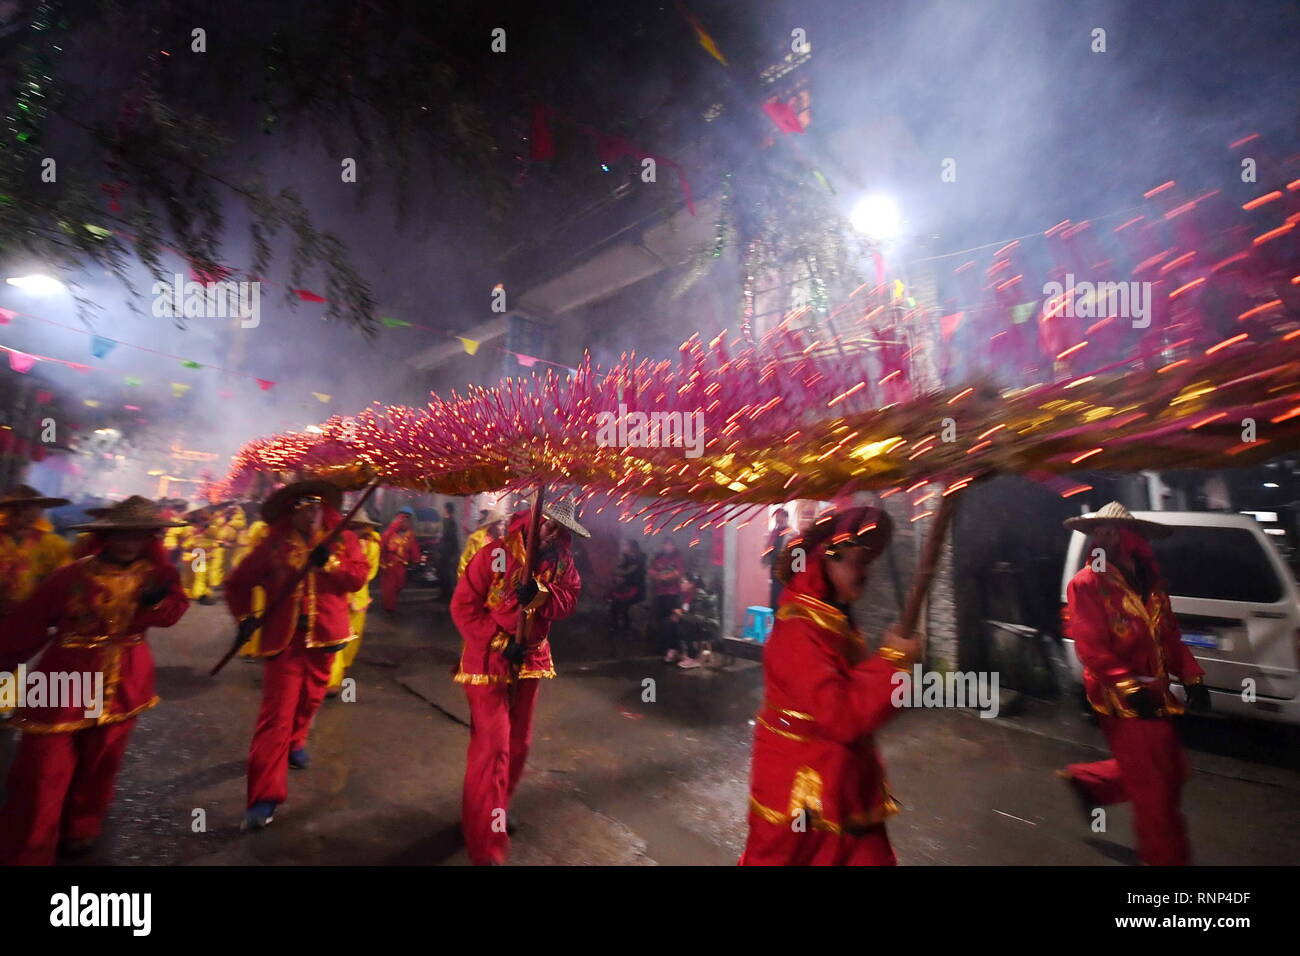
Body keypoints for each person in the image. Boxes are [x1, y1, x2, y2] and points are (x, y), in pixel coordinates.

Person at [0, 496, 189, 864]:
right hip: (63, 678)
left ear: (148, 538)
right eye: (120, 535)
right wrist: (6, 659)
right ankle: (31, 848)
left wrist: (154, 603)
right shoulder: (71, 576)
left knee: (102, 761)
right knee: (43, 768)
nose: (127, 544)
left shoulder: (158, 576)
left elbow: (172, 614)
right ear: (105, 536)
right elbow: (31, 623)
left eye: (136, 536)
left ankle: (81, 828)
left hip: (125, 680)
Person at [740, 505, 922, 866]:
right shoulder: (799, 630)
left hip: (844, 783)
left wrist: (892, 664)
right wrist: (892, 662)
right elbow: (840, 714)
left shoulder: (832, 624)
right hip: (802, 796)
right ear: (822, 562)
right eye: (854, 561)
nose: (864, 572)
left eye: (865, 562)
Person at [1056, 502, 1209, 866]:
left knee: (1171, 771)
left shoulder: (1151, 584)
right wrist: (1129, 687)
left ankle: (1088, 781)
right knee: (1156, 792)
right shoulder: (1087, 584)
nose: (1103, 537)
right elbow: (1092, 649)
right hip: (1121, 701)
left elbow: (1168, 636)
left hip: (1157, 694)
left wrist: (1192, 677)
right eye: (1098, 530)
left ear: (1133, 537)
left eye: (1111, 530)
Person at [224, 480, 369, 831]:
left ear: (325, 509)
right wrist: (244, 618)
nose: (310, 514)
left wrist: (331, 563)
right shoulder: (274, 544)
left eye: (315, 507)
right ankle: (263, 797)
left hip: (325, 637)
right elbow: (237, 582)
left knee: (311, 698)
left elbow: (358, 576)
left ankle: (297, 740)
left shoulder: (342, 539)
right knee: (276, 716)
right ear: (291, 513)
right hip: (284, 642)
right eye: (302, 508)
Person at [451, 498, 585, 865]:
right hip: (488, 660)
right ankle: (487, 849)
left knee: (518, 744)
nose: (551, 531)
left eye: (559, 527)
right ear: (533, 517)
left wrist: (543, 596)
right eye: (547, 522)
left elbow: (570, 599)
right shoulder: (496, 555)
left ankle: (492, 812)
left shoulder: (561, 561)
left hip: (531, 659)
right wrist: (498, 641)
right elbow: (463, 606)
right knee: (492, 748)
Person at [327, 509, 383, 696]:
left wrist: (356, 582)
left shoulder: (373, 545)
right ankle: (332, 680)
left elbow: (370, 571)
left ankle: (342, 670)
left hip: (358, 594)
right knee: (337, 637)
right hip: (341, 594)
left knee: (353, 637)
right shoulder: (339, 541)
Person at [0, 484, 73, 618]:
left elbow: (64, 581)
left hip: (30, 617)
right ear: (7, 510)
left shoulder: (54, 544)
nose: (28, 513)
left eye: (34, 508)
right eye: (21, 508)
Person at [670, 573, 720, 669]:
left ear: (691, 584)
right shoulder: (686, 595)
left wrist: (681, 615)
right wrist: (678, 615)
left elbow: (699, 619)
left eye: (683, 582)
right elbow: (687, 612)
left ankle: (693, 658)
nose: (681, 584)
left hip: (708, 627)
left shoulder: (700, 596)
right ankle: (675, 650)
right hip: (697, 624)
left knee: (684, 626)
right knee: (669, 623)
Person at [648, 539, 685, 661]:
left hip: (673, 594)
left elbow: (678, 573)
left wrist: (664, 577)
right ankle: (663, 646)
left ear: (674, 546)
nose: (667, 547)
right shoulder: (658, 557)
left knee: (672, 621)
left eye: (670, 544)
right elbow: (651, 571)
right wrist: (658, 577)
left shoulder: (678, 558)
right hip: (660, 593)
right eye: (665, 544)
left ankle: (674, 648)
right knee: (660, 620)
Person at [379, 508, 420, 614]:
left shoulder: (409, 535)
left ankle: (391, 602)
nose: (405, 523)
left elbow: (414, 548)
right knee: (389, 587)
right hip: (389, 565)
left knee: (399, 585)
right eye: (403, 520)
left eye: (407, 520)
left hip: (401, 565)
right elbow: (382, 547)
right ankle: (389, 608)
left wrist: (416, 560)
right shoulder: (389, 534)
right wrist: (381, 562)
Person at [607, 538, 646, 638]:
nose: (623, 547)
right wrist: (618, 577)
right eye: (623, 545)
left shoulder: (639, 559)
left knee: (624, 607)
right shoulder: (624, 558)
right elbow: (618, 570)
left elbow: (633, 575)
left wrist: (623, 578)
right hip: (623, 589)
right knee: (614, 605)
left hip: (635, 590)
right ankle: (613, 627)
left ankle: (626, 629)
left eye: (626, 545)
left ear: (632, 547)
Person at [762, 507, 793, 611]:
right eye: (776, 517)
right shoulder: (774, 533)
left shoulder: (793, 534)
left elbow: (800, 557)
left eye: (780, 517)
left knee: (784, 603)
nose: (778, 519)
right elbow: (767, 552)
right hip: (775, 574)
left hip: (786, 576)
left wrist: (796, 573)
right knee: (774, 603)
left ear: (786, 518)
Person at [458, 510, 504, 578]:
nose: (503, 527)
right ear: (491, 526)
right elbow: (465, 562)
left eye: (503, 524)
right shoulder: (476, 539)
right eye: (500, 524)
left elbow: (501, 569)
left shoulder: (503, 544)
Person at [437, 501, 462, 600]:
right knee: (444, 573)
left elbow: (449, 537)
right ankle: (444, 594)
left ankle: (447, 595)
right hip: (446, 551)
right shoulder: (448, 521)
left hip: (448, 552)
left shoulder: (450, 522)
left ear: (447, 509)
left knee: (447, 574)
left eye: (444, 509)